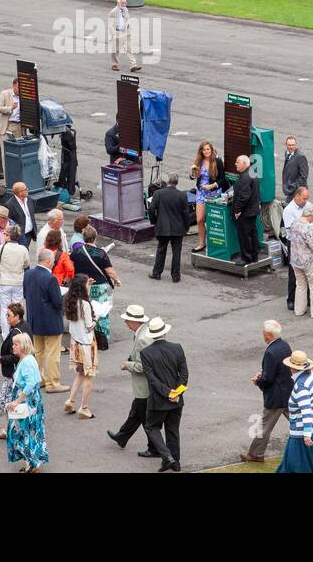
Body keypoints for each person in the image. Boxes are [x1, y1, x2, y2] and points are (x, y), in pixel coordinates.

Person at [108, 305, 157, 455]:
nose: (126, 323)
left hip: (144, 386)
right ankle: (122, 437)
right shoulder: (143, 332)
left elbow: (145, 366)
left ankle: (154, 448)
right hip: (145, 387)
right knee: (136, 412)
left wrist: (128, 365)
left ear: (135, 322)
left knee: (145, 419)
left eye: (127, 320)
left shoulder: (142, 338)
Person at [140, 317, 188, 472]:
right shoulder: (177, 348)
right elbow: (184, 375)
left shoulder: (146, 353)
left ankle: (167, 457)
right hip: (176, 400)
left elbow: (152, 379)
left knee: (152, 427)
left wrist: (168, 393)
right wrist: (176, 392)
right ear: (165, 332)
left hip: (158, 400)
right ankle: (176, 464)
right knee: (173, 431)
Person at [242, 320, 293, 464]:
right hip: (287, 394)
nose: (263, 336)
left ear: (268, 335)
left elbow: (268, 379)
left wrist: (258, 380)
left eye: (264, 333)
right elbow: (280, 371)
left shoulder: (271, 352)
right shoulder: (285, 345)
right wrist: (264, 374)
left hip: (276, 397)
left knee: (264, 427)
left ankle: (256, 454)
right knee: (298, 423)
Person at [4, 332, 49, 472]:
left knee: (24, 432)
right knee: (29, 431)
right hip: (31, 401)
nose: (13, 346)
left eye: (15, 344)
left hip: (27, 403)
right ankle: (32, 462)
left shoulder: (27, 362)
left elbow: (30, 385)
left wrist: (17, 401)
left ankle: (32, 463)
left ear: (23, 346)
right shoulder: (27, 359)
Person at [24, 249, 67, 392]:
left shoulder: (28, 274)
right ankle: (52, 383)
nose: (54, 263)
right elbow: (57, 302)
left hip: (34, 320)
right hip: (50, 322)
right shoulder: (51, 279)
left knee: (38, 352)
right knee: (52, 354)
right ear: (48, 261)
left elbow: (25, 294)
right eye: (53, 260)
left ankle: (40, 379)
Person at [71, 225, 119, 341]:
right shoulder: (100, 253)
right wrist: (117, 280)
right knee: (101, 312)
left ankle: (87, 336)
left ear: (83, 237)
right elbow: (110, 272)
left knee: (84, 311)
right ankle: (102, 338)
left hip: (83, 286)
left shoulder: (76, 252)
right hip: (100, 287)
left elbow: (72, 269)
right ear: (95, 237)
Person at [63, 274, 100, 417]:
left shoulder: (69, 300)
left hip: (75, 342)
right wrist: (98, 318)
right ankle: (84, 408)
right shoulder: (84, 304)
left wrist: (87, 284)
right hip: (86, 343)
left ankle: (70, 401)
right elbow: (89, 326)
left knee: (80, 373)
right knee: (89, 376)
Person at [0, 303, 31, 437]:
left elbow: (17, 356)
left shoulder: (17, 332)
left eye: (9, 315)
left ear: (17, 316)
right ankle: (9, 428)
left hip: (14, 374)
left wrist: (2, 358)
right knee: (11, 402)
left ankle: (11, 430)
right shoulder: (24, 326)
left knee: (7, 402)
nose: (6, 318)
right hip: (18, 373)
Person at [0, 224, 30, 337]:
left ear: (9, 236)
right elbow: (27, 263)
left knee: (4, 309)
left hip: (5, 282)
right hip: (18, 281)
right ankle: (18, 332)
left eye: (6, 234)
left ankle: (6, 334)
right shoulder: (23, 249)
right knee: (18, 308)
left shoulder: (2, 248)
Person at [288, 202, 313, 318]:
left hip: (295, 260)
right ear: (310, 216)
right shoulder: (308, 227)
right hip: (309, 262)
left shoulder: (294, 223)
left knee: (300, 285)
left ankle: (299, 310)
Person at [149, 172, 188, 282]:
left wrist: (155, 221)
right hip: (178, 228)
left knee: (161, 250)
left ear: (167, 182)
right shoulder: (182, 195)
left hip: (162, 227)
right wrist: (186, 227)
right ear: (177, 182)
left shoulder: (158, 193)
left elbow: (151, 209)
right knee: (176, 252)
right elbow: (186, 213)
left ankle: (156, 273)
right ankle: (175, 275)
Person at [190, 140, 225, 253]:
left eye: (208, 149)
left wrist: (212, 186)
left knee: (211, 220)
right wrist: (192, 172)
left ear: (211, 149)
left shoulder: (217, 161)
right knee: (200, 219)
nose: (206, 151)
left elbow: (222, 180)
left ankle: (213, 243)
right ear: (201, 151)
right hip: (201, 193)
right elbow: (193, 177)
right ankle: (202, 243)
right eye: (204, 149)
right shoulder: (199, 161)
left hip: (213, 193)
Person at [230, 154, 260, 265]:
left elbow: (243, 196)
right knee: (252, 234)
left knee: (245, 236)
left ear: (244, 163)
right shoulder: (252, 174)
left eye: (237, 162)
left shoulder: (245, 177)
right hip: (252, 211)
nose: (235, 164)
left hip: (245, 213)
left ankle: (246, 258)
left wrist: (237, 210)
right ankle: (254, 256)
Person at [107, 0, 140, 71]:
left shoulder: (125, 9)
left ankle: (133, 65)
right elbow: (110, 25)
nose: (124, 4)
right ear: (118, 3)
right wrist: (114, 34)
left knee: (128, 49)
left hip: (126, 32)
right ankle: (114, 64)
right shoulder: (113, 12)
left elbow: (127, 19)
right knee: (115, 50)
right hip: (117, 32)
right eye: (123, 3)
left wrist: (128, 27)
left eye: (125, 3)